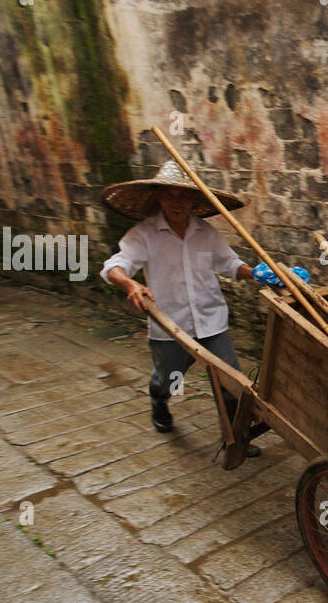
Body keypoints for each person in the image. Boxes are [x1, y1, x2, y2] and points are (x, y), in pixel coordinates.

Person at [97, 160, 260, 453]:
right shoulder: (144, 234)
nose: (176, 201)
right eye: (169, 194)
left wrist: (257, 273)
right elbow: (115, 266)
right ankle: (159, 402)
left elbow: (230, 265)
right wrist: (131, 284)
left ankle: (235, 438)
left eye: (184, 195)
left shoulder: (206, 233)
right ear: (158, 196)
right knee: (167, 381)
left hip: (211, 322)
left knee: (230, 384)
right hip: (169, 326)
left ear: (194, 199)